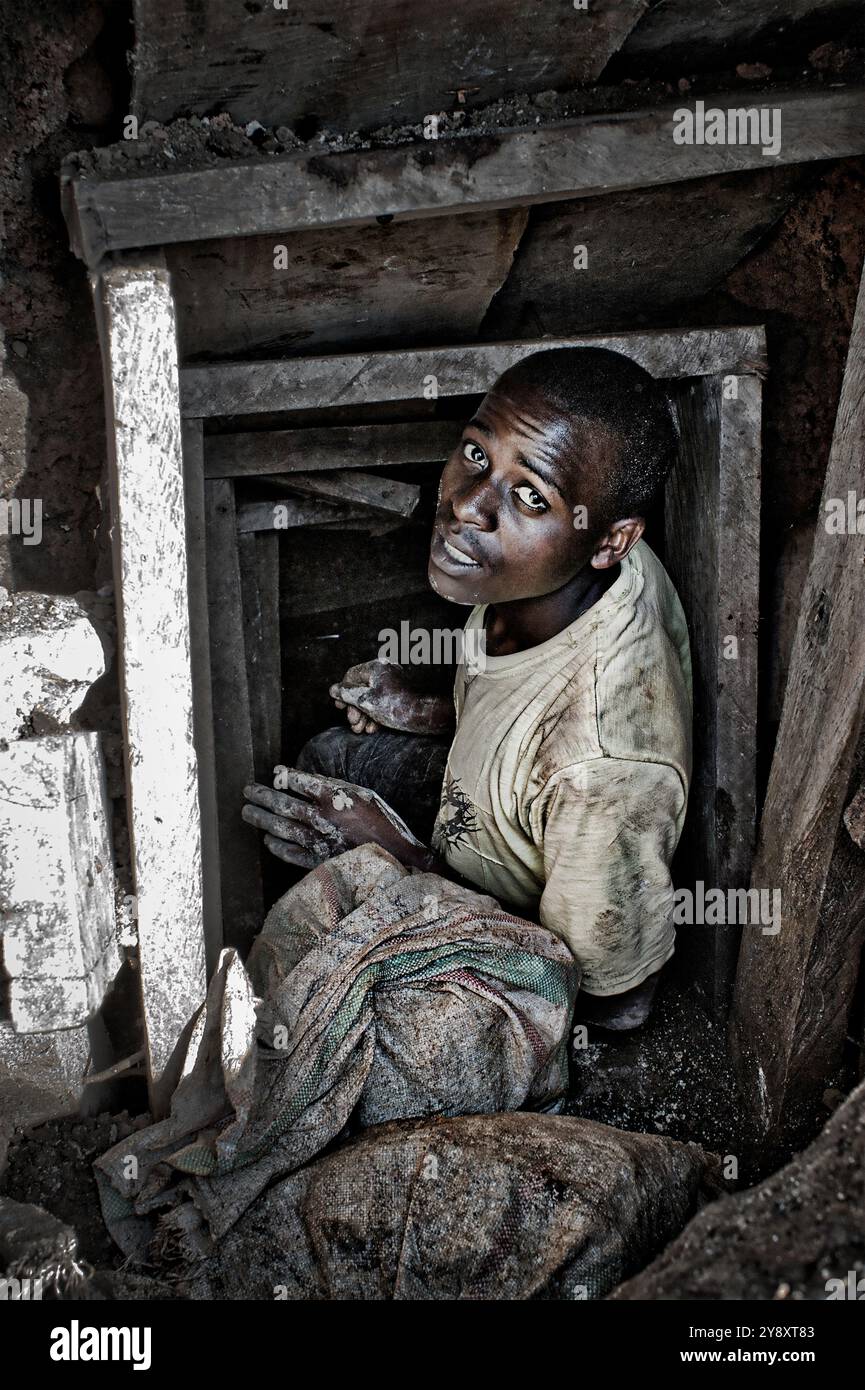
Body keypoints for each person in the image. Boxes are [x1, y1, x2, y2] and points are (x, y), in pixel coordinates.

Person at [242, 347, 692, 1031]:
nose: (464, 505)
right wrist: (422, 713)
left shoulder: (603, 771)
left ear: (611, 541)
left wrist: (398, 860)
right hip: (487, 831)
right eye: (478, 454)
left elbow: (605, 998)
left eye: (530, 496)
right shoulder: (561, 573)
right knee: (326, 763)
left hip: (519, 964)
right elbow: (526, 716)